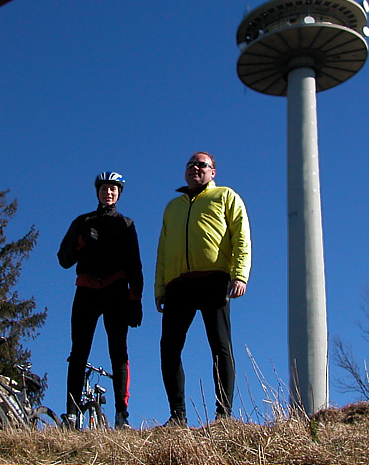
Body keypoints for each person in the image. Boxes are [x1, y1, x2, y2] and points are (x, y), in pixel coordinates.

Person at [155, 152, 251, 426]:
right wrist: (159, 287)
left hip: (214, 279)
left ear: (213, 172)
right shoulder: (172, 207)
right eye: (190, 165)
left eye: (202, 165)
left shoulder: (225, 196)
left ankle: (223, 415)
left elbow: (241, 236)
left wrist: (240, 274)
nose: (195, 168)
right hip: (177, 285)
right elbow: (162, 250)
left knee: (220, 346)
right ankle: (177, 416)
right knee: (169, 349)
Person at [58, 171, 143, 430]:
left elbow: (135, 264)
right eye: (105, 188)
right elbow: (63, 259)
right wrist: (82, 241)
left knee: (119, 353)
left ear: (118, 194)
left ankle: (121, 415)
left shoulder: (126, 224)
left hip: (116, 290)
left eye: (113, 190)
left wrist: (135, 299)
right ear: (97, 192)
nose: (109, 193)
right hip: (86, 290)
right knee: (79, 353)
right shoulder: (82, 221)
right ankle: (71, 414)